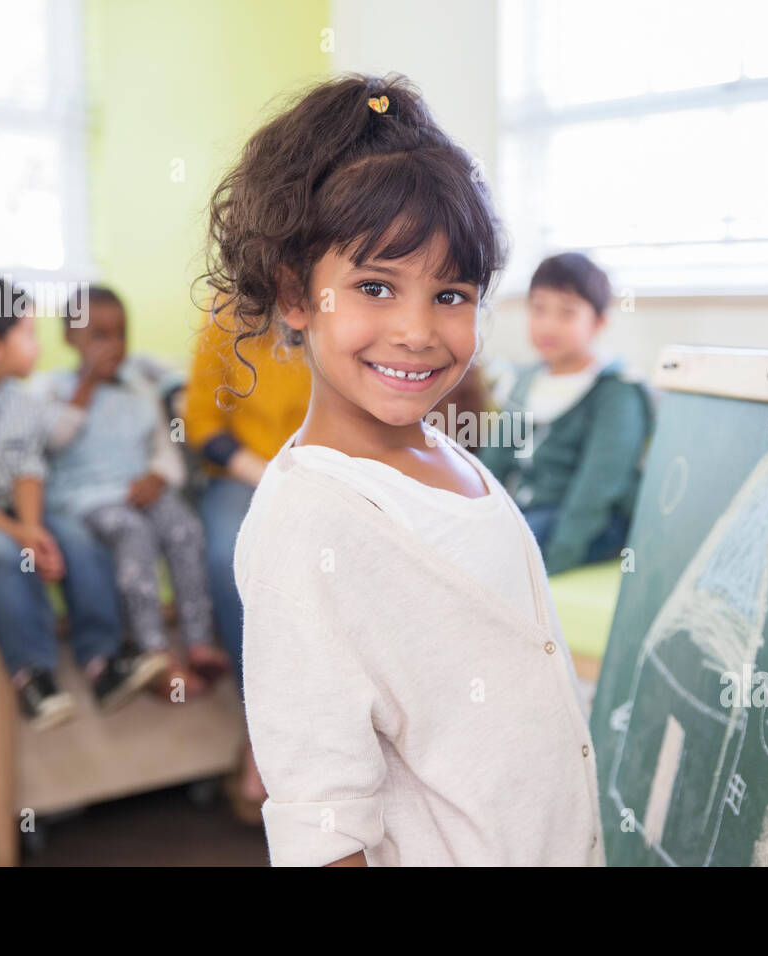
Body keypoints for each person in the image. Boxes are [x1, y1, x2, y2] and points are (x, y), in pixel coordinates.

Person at [199, 72, 606, 865]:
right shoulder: (305, 524)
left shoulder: (451, 459)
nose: (418, 330)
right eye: (375, 287)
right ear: (295, 297)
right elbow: (323, 829)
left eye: (451, 294)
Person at [0, 278, 166, 730]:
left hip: (5, 510)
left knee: (77, 537)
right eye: (28, 335)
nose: (39, 348)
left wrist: (34, 527)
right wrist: (20, 536)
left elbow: (28, 471)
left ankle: (103, 663)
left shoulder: (20, 401)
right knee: (2, 554)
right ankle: (33, 677)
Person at [39, 285, 230, 701]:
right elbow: (54, 439)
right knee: (134, 534)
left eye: (121, 333)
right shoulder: (53, 389)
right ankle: (155, 655)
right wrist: (86, 385)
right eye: (99, 336)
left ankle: (198, 642)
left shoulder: (138, 387)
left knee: (184, 527)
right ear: (71, 339)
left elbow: (166, 450)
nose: (114, 345)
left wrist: (158, 478)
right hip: (87, 498)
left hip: (140, 490)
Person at [183, 302, 310, 819]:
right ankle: (261, 731)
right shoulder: (224, 320)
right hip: (242, 476)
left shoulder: (332, 314)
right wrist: (266, 475)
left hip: (320, 470)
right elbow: (200, 423)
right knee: (228, 557)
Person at [477, 252, 656, 575]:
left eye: (567, 313)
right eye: (539, 309)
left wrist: (557, 556)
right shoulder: (524, 381)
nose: (548, 324)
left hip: (588, 519)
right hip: (530, 507)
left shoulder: (616, 389)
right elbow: (495, 459)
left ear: (599, 322)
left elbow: (599, 486)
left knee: (510, 548)